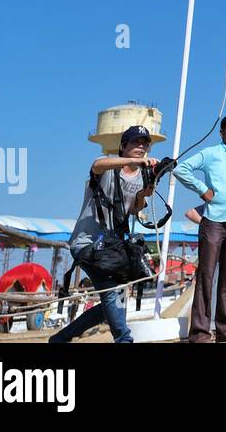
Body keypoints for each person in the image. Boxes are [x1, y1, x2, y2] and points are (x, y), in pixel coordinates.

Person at [49, 125, 157, 343]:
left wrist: (151, 183)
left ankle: (61, 338)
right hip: (87, 243)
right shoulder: (108, 167)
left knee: (113, 299)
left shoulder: (140, 176)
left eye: (145, 143)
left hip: (112, 247)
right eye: (136, 142)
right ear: (123, 146)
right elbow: (96, 165)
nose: (141, 146)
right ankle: (124, 339)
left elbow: (136, 208)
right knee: (111, 292)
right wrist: (134, 162)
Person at [174, 116, 226, 343]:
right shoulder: (211, 154)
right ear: (221, 132)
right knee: (207, 276)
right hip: (213, 221)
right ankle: (199, 332)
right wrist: (202, 190)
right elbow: (181, 168)